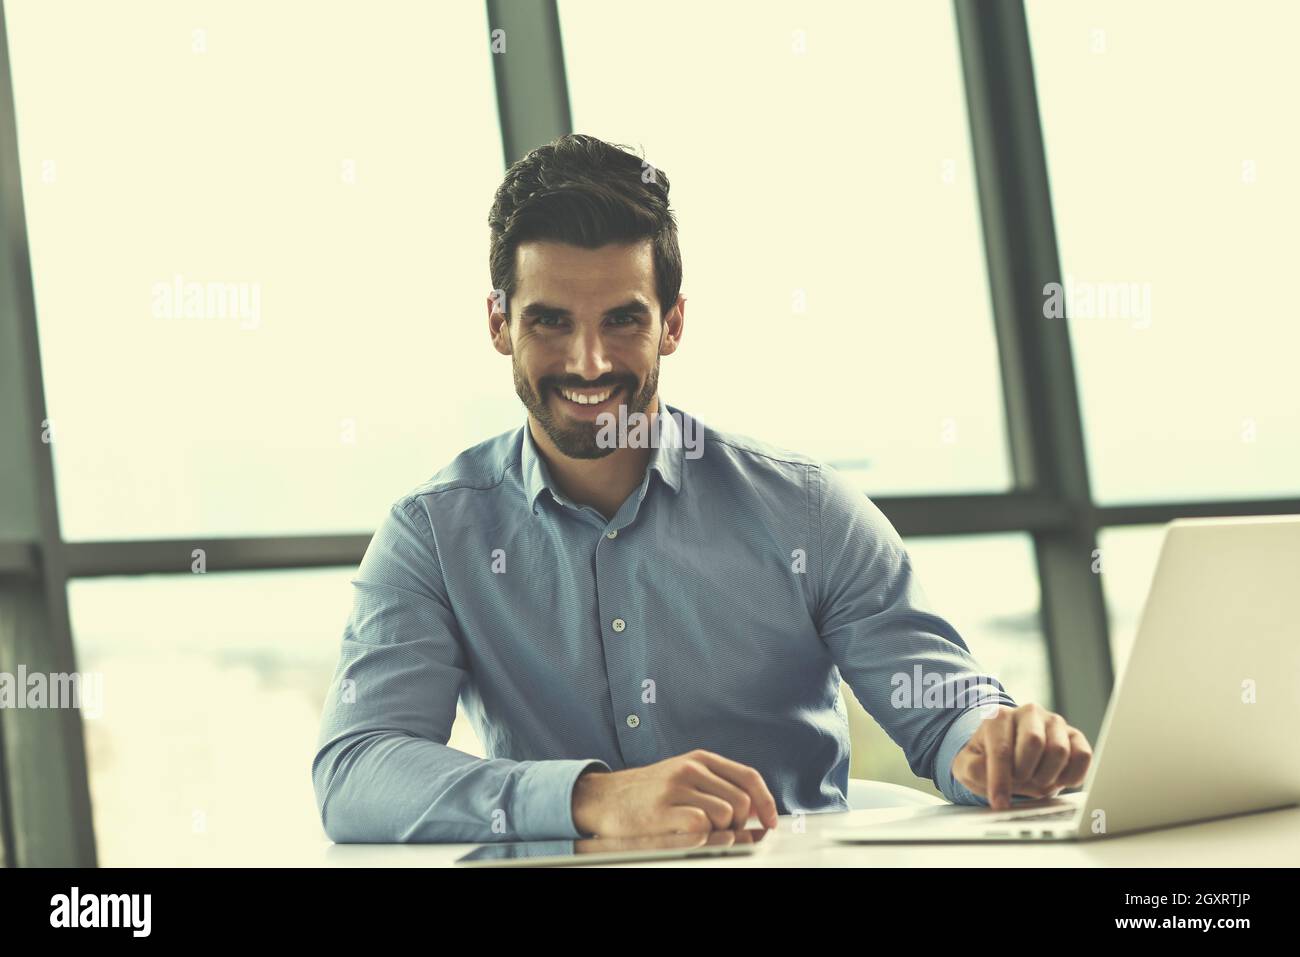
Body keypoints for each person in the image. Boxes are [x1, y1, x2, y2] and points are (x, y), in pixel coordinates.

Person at [312, 133, 1092, 843]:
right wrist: (591, 798)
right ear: (498, 323)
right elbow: (356, 768)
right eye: (550, 321)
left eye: (623, 319)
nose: (588, 362)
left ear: (673, 323)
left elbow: (949, 711)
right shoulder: (434, 535)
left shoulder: (807, 513)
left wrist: (997, 742)